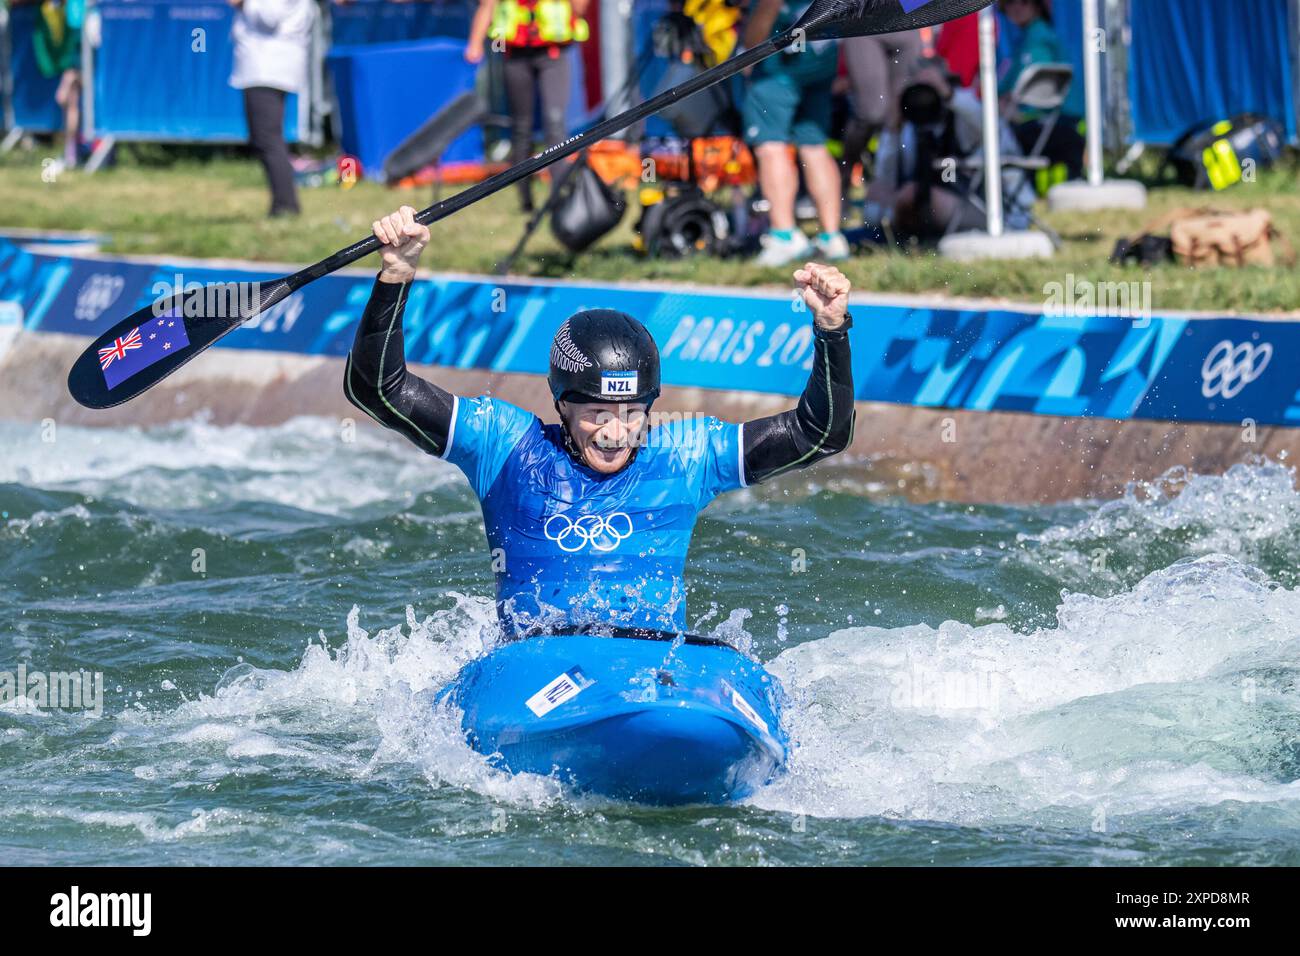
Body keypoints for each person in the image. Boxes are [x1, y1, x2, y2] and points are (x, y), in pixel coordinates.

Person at [345, 205, 855, 638]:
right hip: (533, 674)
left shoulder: (687, 455)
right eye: (597, 414)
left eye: (633, 413)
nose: (616, 432)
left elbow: (821, 434)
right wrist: (396, 274)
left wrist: (831, 329)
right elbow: (377, 390)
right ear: (561, 403)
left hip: (650, 672)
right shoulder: (502, 444)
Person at [866, 61, 1034, 241]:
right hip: (940, 200)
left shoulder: (965, 116)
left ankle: (902, 231)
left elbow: (988, 125)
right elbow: (885, 176)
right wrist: (893, 128)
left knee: (910, 196)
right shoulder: (913, 124)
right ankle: (903, 231)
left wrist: (948, 94)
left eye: (931, 90)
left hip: (991, 206)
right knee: (877, 195)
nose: (926, 98)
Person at [740, 0, 848, 266]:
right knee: (814, 146)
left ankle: (784, 236)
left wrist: (747, 52)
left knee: (770, 146)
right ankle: (831, 237)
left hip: (780, 67)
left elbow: (767, 9)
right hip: (821, 60)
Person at [466, 0, 589, 213]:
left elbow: (579, 7)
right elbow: (488, 5)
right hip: (515, 55)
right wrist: (474, 44)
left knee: (555, 123)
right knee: (522, 127)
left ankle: (560, 196)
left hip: (553, 53)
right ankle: (525, 200)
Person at [229, 0, 315, 218]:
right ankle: (283, 204)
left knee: (267, 139)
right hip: (266, 66)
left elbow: (269, 15)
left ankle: (285, 206)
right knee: (266, 138)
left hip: (268, 67)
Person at [997, 0, 1085, 181]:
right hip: (1052, 124)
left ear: (1037, 5)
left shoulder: (1038, 37)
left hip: (1050, 123)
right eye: (1009, 3)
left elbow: (1025, 92)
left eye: (1024, 1)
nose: (1016, 7)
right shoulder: (1028, 37)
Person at [839, 30, 924, 203]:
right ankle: (843, 178)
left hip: (907, 20)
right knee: (872, 112)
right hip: (865, 22)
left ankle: (896, 195)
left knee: (903, 111)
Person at [30, 0, 85, 168]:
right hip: (76, 48)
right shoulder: (64, 8)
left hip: (83, 48)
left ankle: (75, 151)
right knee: (69, 101)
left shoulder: (76, 9)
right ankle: (72, 152)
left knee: (66, 99)